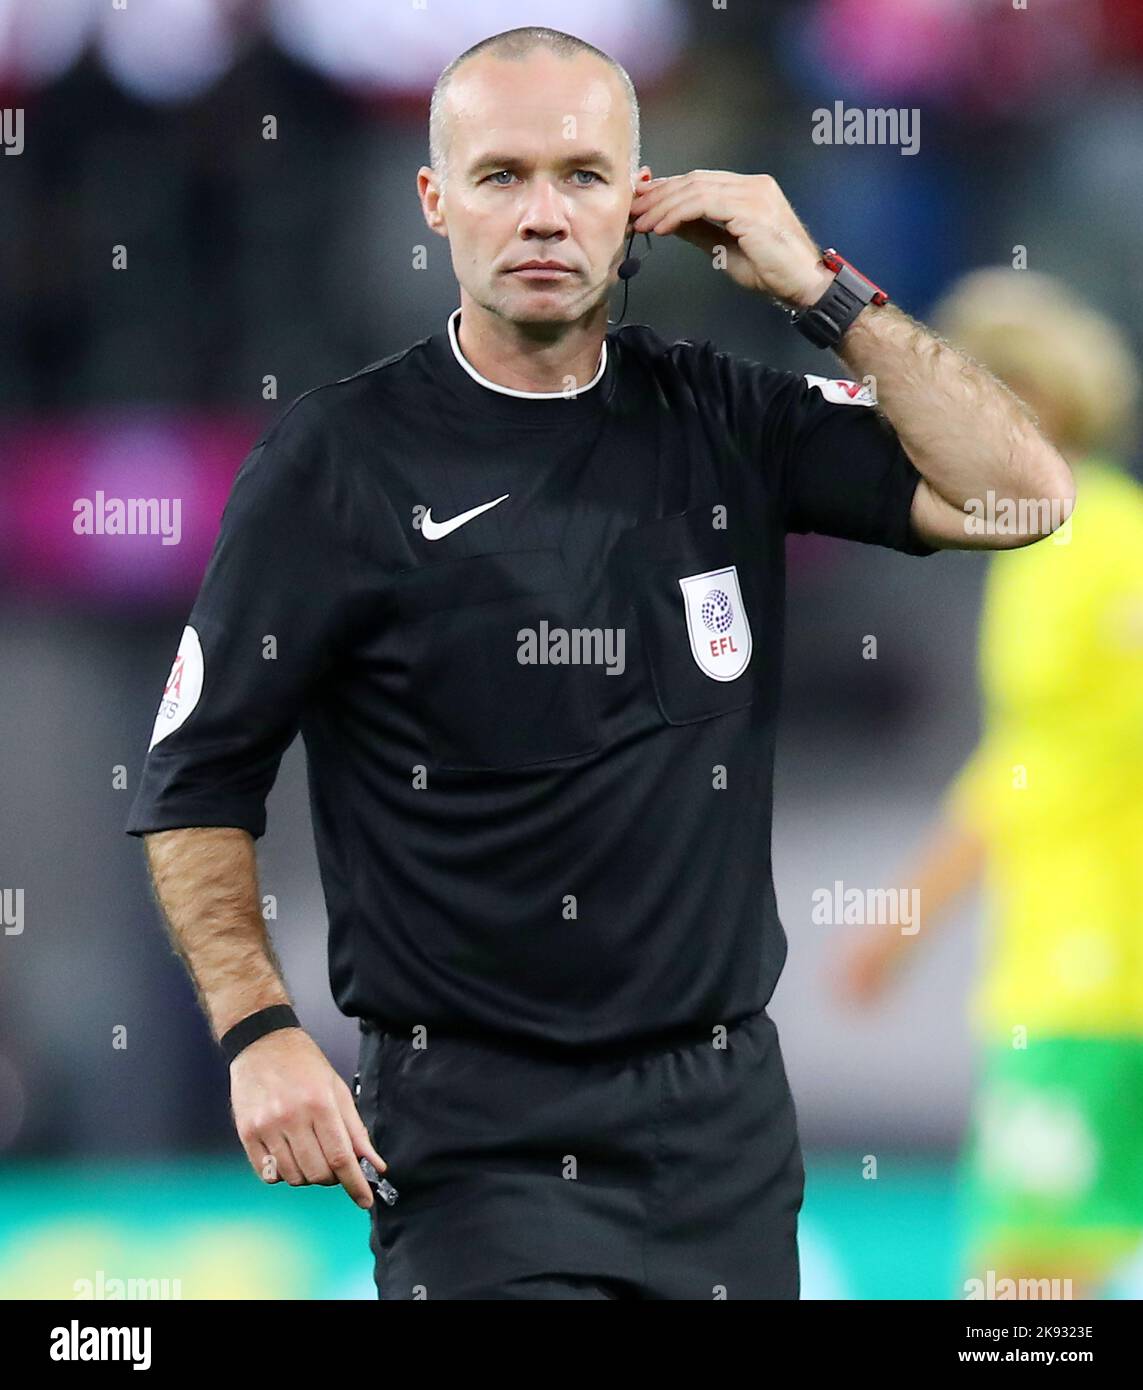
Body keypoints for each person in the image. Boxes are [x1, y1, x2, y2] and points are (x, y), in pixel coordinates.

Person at [125, 27, 1073, 1300]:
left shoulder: (728, 417)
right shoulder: (336, 464)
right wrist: (259, 1029)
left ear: (640, 199)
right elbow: (195, 778)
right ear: (435, 200)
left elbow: (1024, 496)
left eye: (581, 175)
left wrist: (823, 291)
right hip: (472, 1137)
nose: (542, 214)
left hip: (721, 1129)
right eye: (501, 175)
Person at [834, 270, 1143, 1299]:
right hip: (1074, 970)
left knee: (1023, 1288)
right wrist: (904, 920)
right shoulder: (1063, 544)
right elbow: (1021, 766)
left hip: (1087, 978)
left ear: (1032, 401)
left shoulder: (1092, 550)